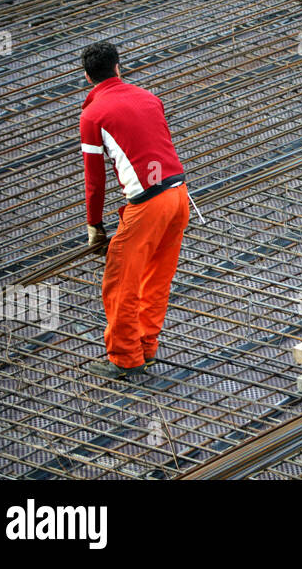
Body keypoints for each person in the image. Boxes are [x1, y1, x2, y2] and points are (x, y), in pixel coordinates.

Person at [79, 41, 189, 380]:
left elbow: (95, 181)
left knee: (121, 282)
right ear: (118, 67)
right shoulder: (149, 98)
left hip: (148, 206)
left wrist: (95, 226)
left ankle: (126, 358)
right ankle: (147, 348)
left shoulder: (92, 115)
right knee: (155, 279)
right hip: (179, 195)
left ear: (87, 78)